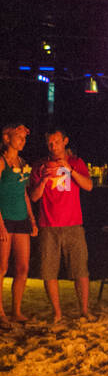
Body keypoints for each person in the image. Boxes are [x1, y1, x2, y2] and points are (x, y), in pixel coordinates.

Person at [29, 127, 92, 325]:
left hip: (73, 223)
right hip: (48, 224)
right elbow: (34, 196)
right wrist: (45, 179)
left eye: (56, 141)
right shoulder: (40, 165)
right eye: (49, 143)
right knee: (49, 271)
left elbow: (88, 186)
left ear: (65, 141)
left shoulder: (76, 162)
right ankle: (57, 313)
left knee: (80, 270)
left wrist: (70, 169)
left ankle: (84, 310)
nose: (53, 146)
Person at [0, 123, 37, 326]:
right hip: (4, 217)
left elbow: (23, 193)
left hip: (21, 217)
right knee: (2, 266)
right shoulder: (2, 161)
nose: (23, 141)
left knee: (22, 267)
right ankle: (1, 312)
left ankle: (16, 311)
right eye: (19, 137)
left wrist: (31, 219)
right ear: (7, 138)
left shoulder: (22, 162)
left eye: (25, 137)